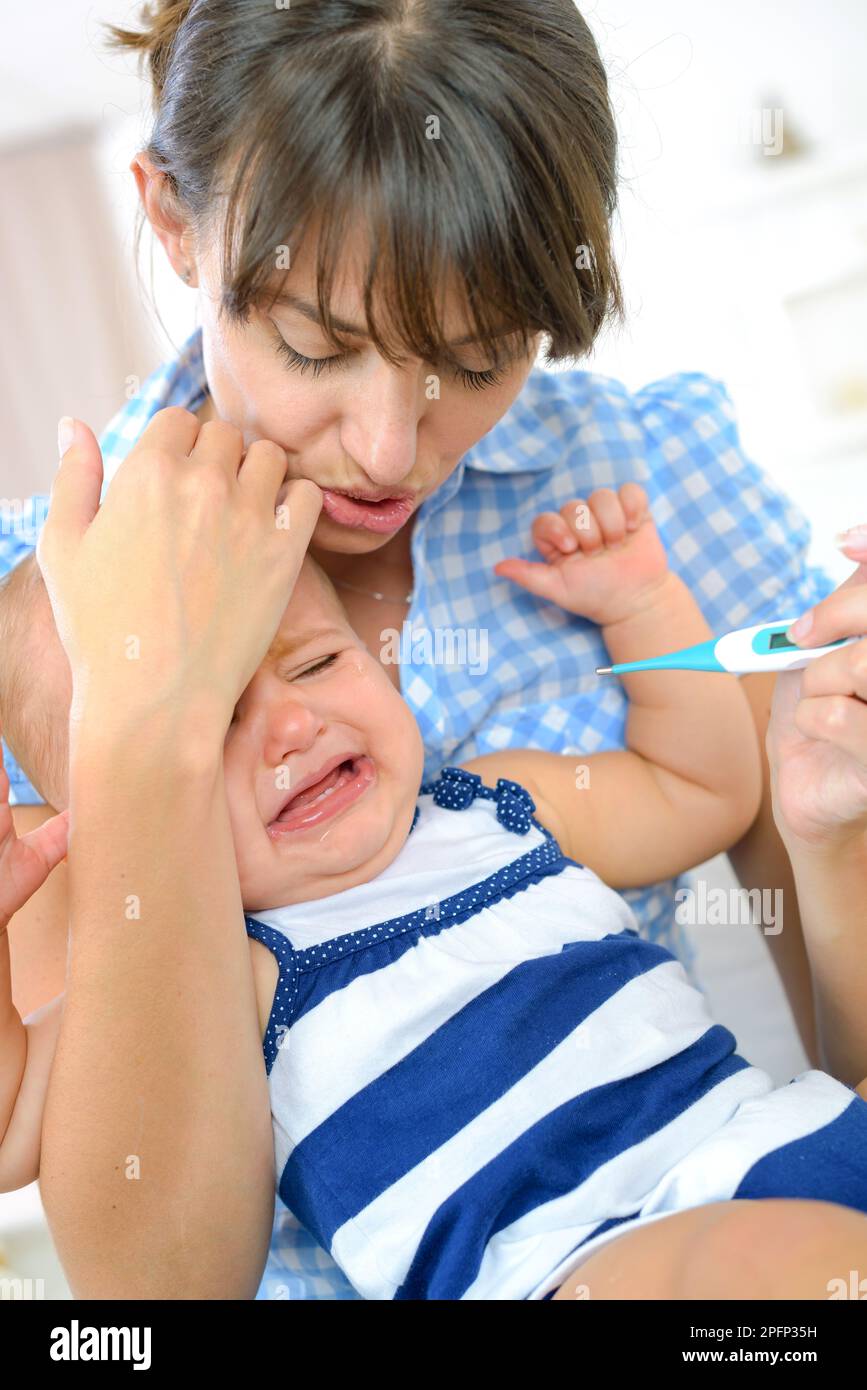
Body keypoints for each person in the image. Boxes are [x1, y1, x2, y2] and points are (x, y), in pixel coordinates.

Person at [2, 0, 857, 1298]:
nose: (393, 449)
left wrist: (826, 828)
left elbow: (741, 867)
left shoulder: (643, 479)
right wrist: (146, 723)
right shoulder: (41, 646)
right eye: (313, 347)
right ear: (171, 220)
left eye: (477, 355)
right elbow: (155, 1283)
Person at [3, 427, 867, 1299]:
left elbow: (700, 789)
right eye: (215, 718)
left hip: (778, 1134)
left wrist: (641, 604)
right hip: (581, 1261)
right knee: (778, 1265)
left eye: (317, 661)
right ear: (124, 805)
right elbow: (13, 1133)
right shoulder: (206, 980)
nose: (294, 725)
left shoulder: (486, 807)